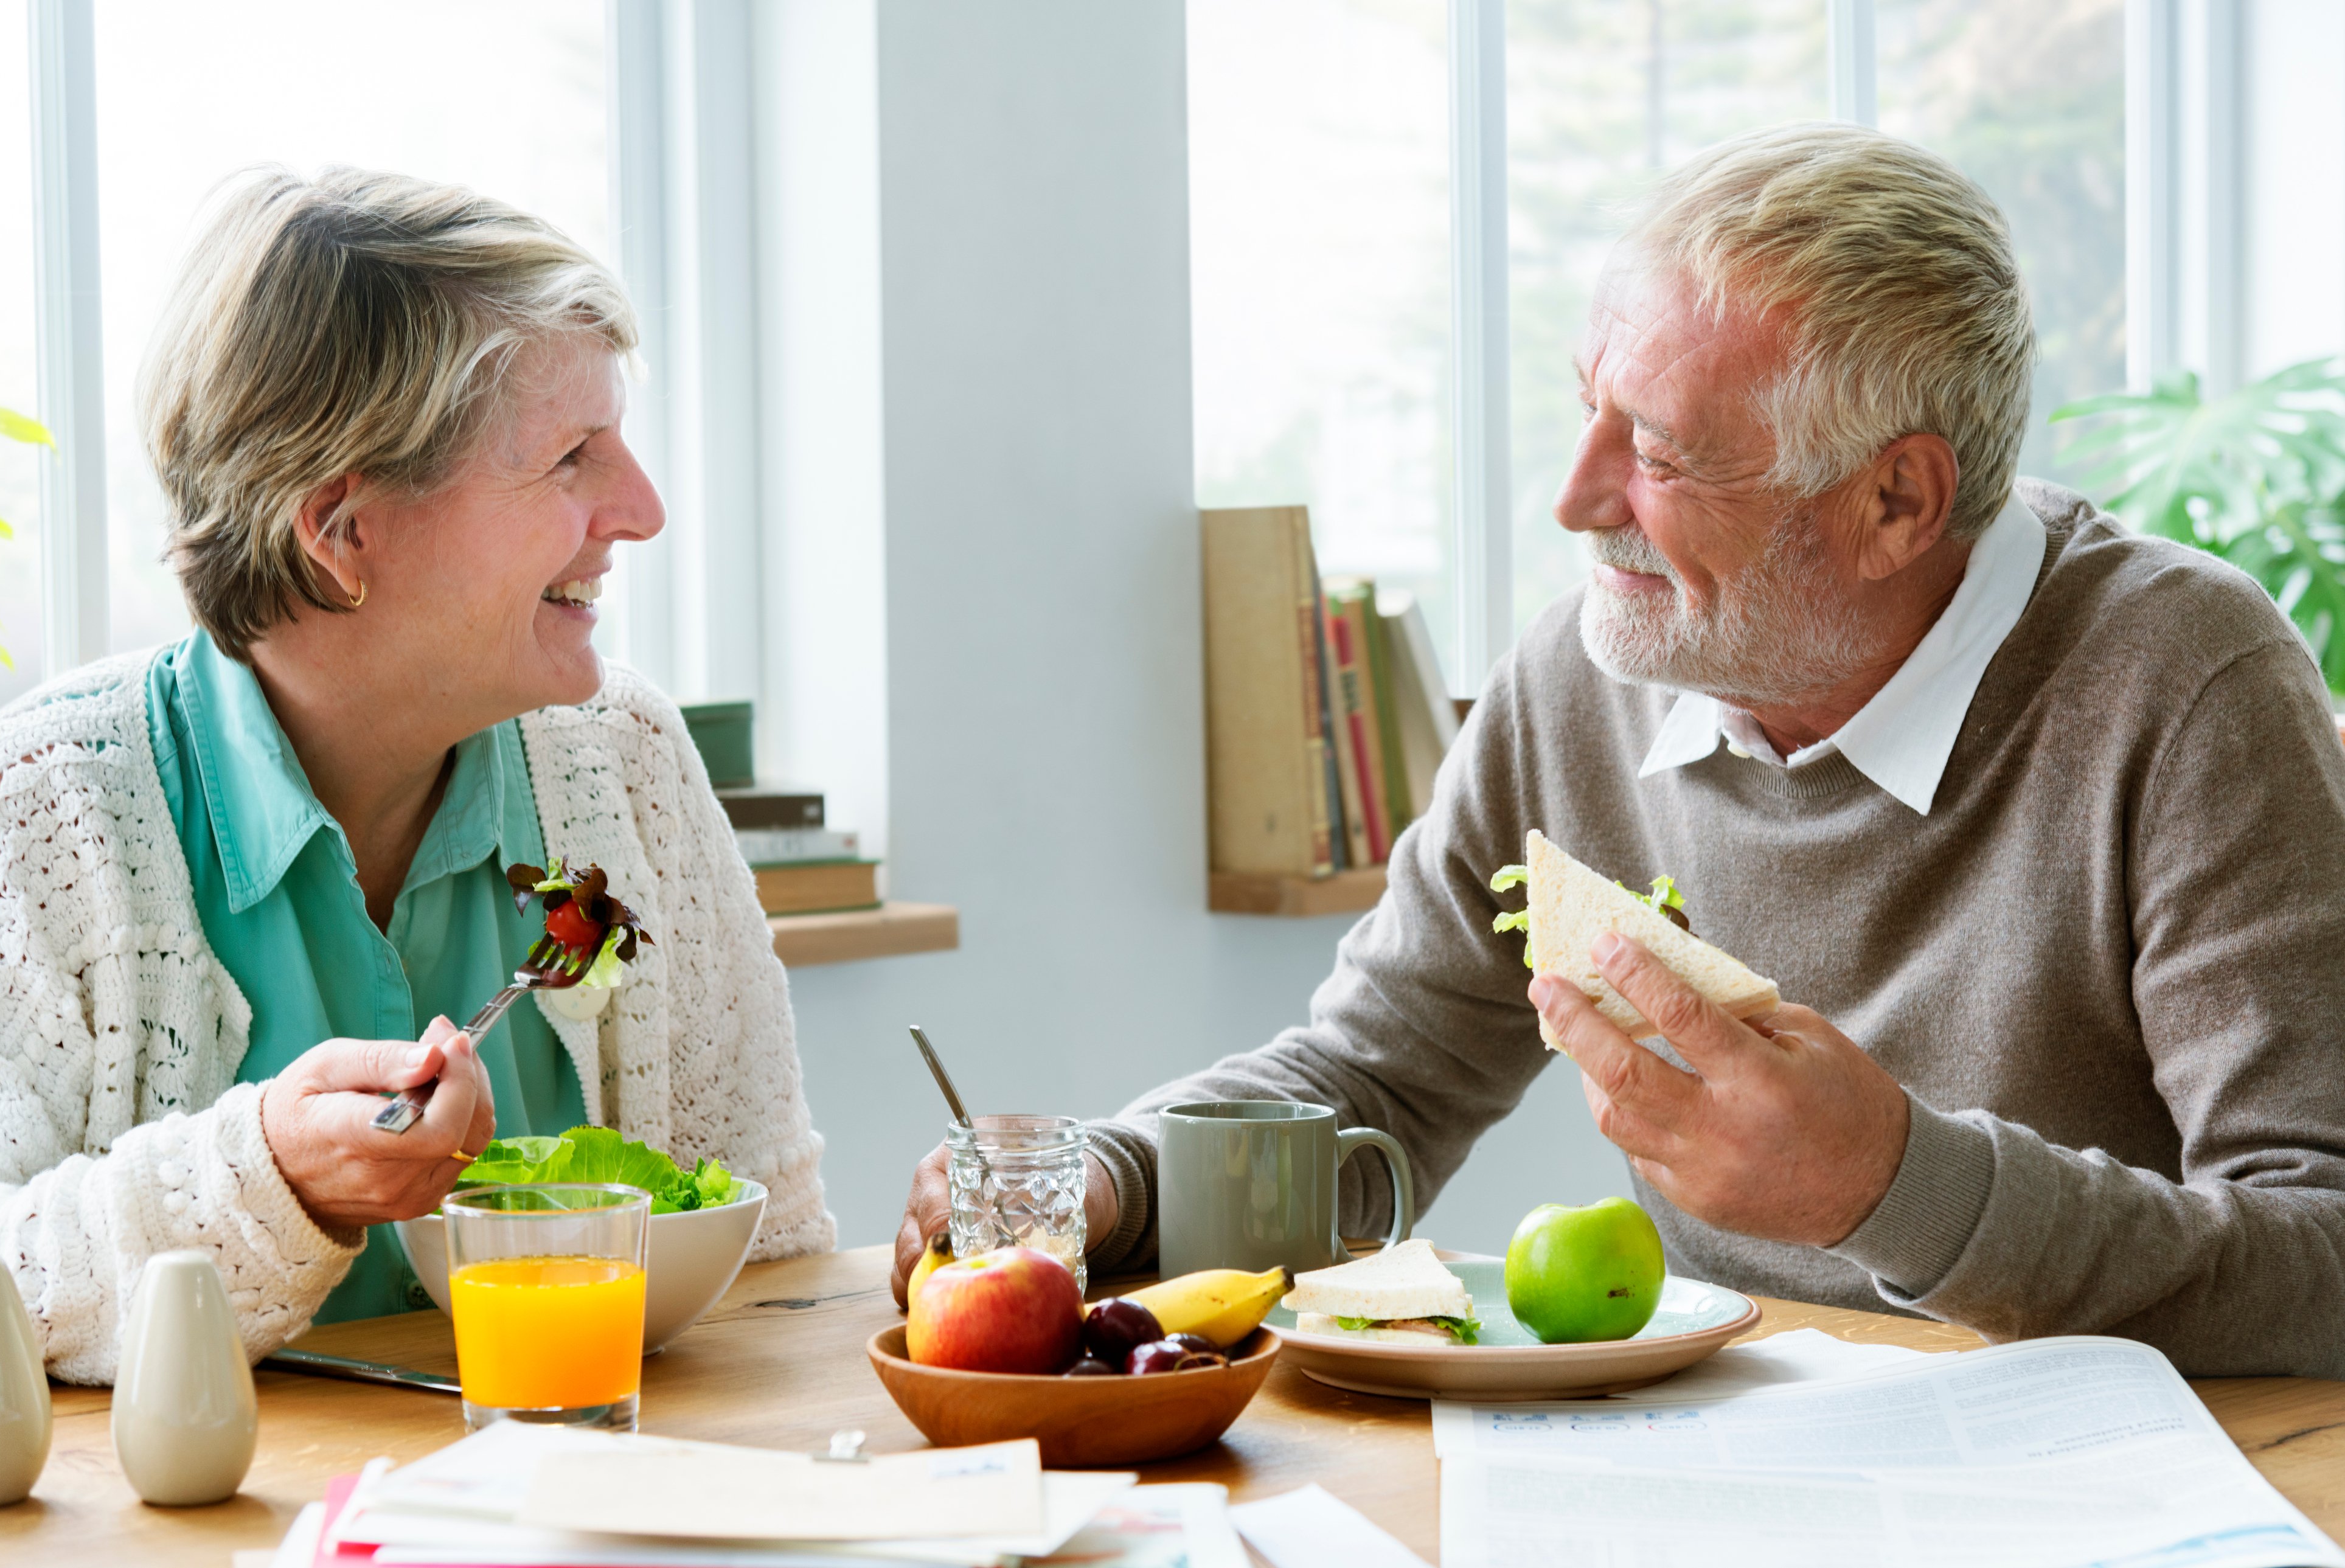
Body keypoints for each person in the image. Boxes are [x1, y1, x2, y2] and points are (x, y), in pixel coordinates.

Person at [892, 123, 2345, 1376]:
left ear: (1898, 499)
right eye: (1588, 407)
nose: (1577, 500)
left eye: (1654, 450)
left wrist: (1894, 1185)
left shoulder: (2187, 683)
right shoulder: (1584, 674)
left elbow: (2323, 1252)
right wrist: (1111, 1176)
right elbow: (1376, 1075)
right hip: (1710, 1453)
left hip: (2121, 1488)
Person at [0, 168, 833, 1384]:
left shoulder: (629, 761)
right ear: (343, 536)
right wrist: (269, 1175)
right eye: (569, 458)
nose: (641, 508)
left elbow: (773, 1269)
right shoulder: (45, 809)